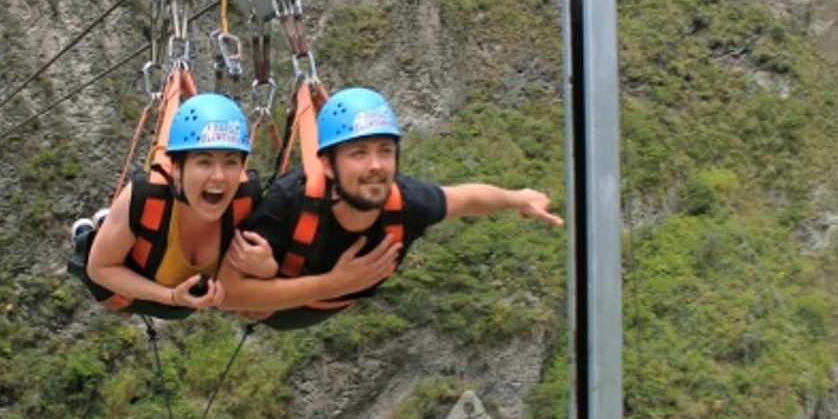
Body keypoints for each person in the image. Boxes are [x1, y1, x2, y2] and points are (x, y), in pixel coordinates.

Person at [217, 87, 563, 328]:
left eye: (385, 150)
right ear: (326, 164)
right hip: (278, 307)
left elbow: (467, 198)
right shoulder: (290, 201)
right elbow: (230, 294)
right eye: (358, 153)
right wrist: (335, 283)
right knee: (255, 292)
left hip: (320, 302)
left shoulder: (407, 204)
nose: (376, 165)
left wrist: (520, 198)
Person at [83, 93, 277, 318]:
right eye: (204, 162)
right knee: (115, 300)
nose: (219, 176)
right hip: (137, 288)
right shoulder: (145, 198)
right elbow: (99, 269)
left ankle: (110, 226)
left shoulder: (246, 203)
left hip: (178, 296)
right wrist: (171, 296)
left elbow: (258, 312)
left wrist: (267, 272)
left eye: (231, 162)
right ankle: (95, 232)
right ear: (176, 168)